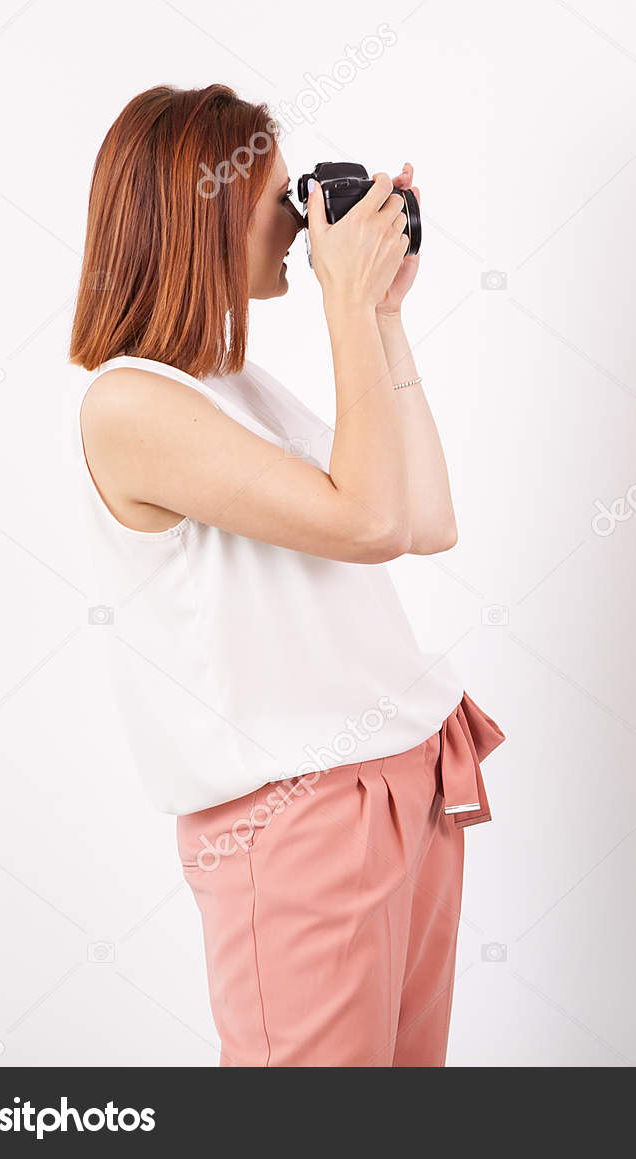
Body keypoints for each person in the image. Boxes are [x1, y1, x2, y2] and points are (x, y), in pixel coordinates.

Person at [68, 84, 503, 1066]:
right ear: (206, 210)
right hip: (295, 814)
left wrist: (381, 313)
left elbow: (422, 519)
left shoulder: (243, 385)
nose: (303, 224)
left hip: (407, 781)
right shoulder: (129, 403)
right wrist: (343, 301)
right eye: (281, 201)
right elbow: (366, 518)